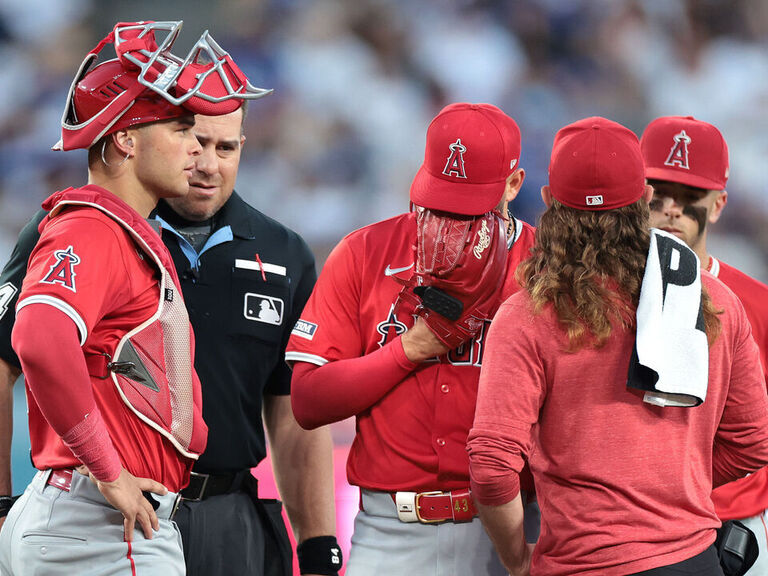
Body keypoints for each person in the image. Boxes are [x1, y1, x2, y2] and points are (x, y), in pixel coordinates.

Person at [0, 26, 340, 576]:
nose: (199, 155)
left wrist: (318, 543)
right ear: (127, 140)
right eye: (185, 131)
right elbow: (33, 341)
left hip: (188, 508)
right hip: (109, 511)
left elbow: (293, 411)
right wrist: (103, 469)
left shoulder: (278, 250)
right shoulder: (92, 227)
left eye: (220, 144)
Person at [467, 116, 768, 576]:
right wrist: (671, 486)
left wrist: (516, 558)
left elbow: (491, 466)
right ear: (644, 198)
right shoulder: (715, 299)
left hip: (582, 562)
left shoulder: (527, 314)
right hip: (692, 558)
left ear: (548, 201)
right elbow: (753, 442)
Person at [285, 102, 536, 576]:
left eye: (465, 209)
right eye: (437, 203)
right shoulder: (365, 252)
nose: (445, 223)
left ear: (513, 185)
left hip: (512, 525)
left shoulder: (545, 269)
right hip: (390, 531)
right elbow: (307, 400)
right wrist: (409, 349)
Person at [641, 115, 768, 575]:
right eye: (659, 191)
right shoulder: (599, 295)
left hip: (734, 527)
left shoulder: (756, 304)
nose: (673, 208)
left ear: (717, 205)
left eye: (690, 196)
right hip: (631, 526)